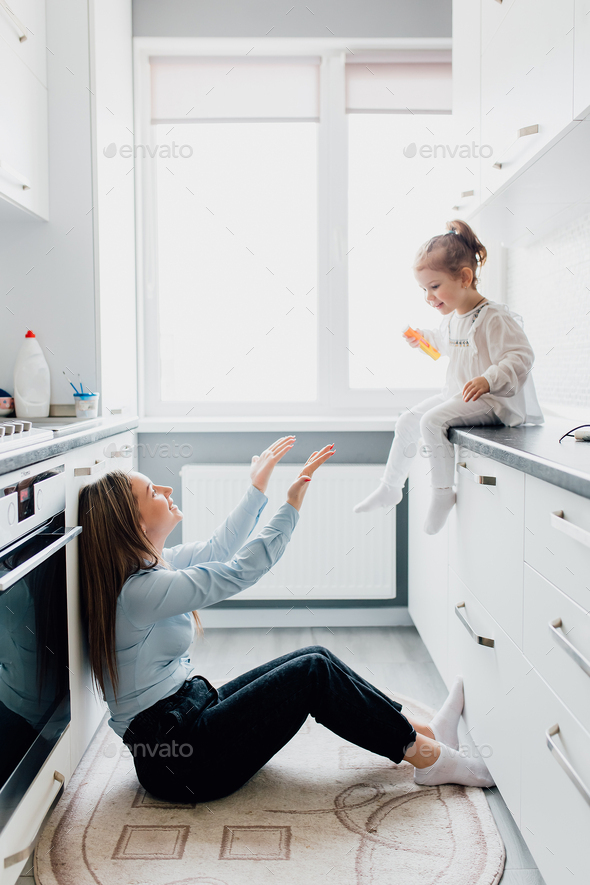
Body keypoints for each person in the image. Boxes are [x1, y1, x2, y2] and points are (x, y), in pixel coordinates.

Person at [78, 437, 493, 805]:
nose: (166, 489)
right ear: (133, 523)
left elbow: (221, 548)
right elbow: (239, 571)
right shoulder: (138, 591)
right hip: (180, 763)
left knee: (315, 655)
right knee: (312, 674)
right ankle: (429, 759)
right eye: (153, 490)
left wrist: (257, 487)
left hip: (188, 719)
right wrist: (291, 504)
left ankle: (430, 734)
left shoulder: (151, 569)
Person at [354, 219, 543, 533]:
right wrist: (423, 340)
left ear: (465, 277)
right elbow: (446, 345)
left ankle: (443, 494)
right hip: (459, 394)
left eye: (435, 286)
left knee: (431, 421)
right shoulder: (455, 318)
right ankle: (390, 488)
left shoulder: (494, 317)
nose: (429, 296)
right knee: (407, 421)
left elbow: (522, 356)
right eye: (424, 289)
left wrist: (490, 378)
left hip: (491, 401)